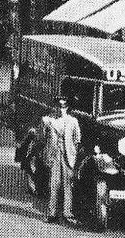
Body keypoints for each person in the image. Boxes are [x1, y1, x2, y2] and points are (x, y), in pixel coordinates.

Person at [35, 96, 82, 225]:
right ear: (55, 107)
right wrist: (48, 150)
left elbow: (77, 140)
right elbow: (41, 137)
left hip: (68, 156)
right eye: (59, 107)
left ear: (67, 108)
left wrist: (72, 153)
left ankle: (67, 213)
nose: (61, 110)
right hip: (54, 155)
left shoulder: (73, 121)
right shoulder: (48, 120)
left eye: (64, 107)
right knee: (54, 184)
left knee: (68, 184)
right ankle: (52, 213)